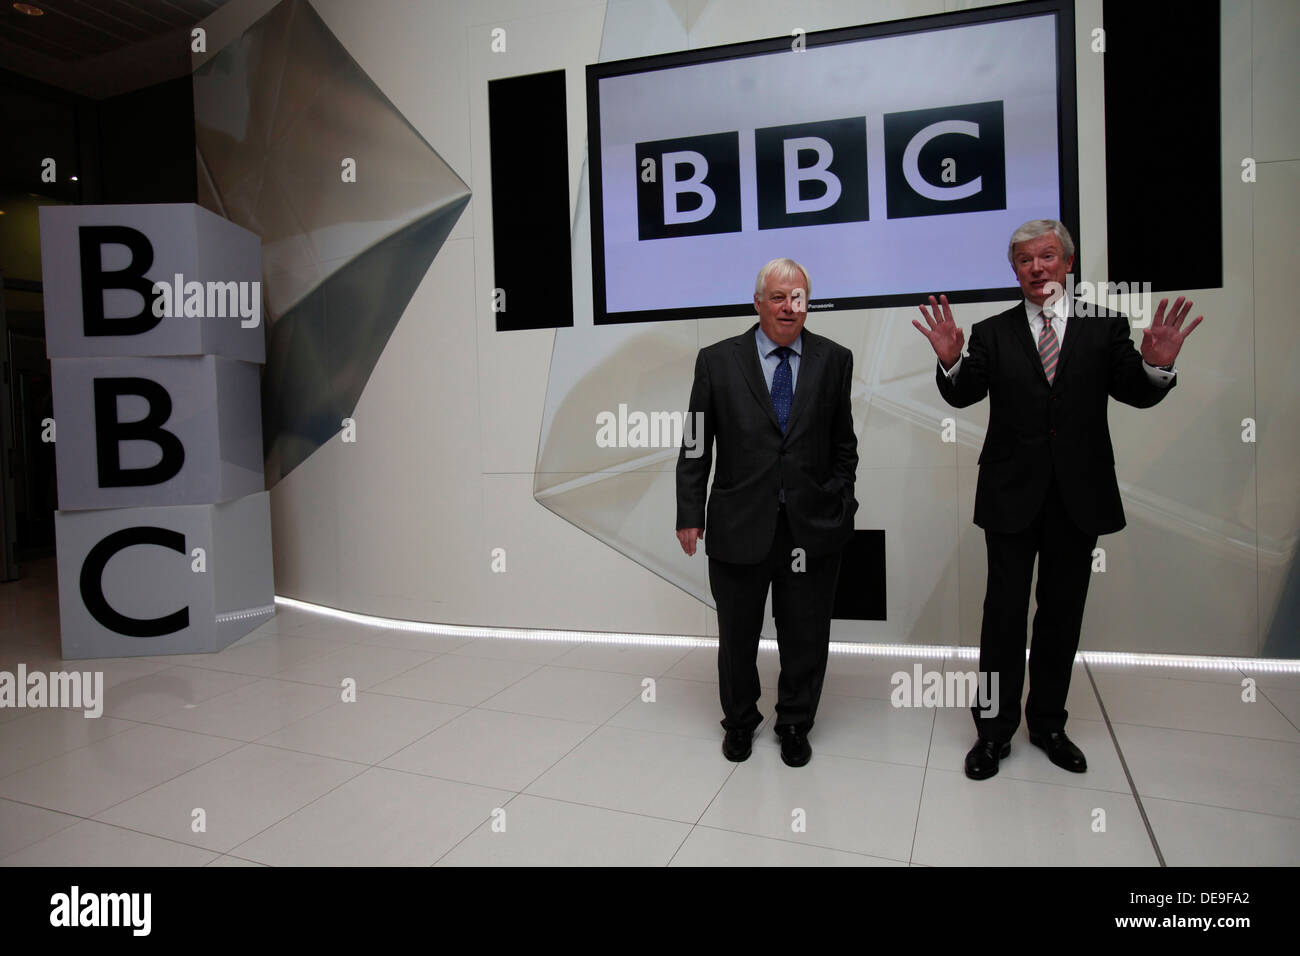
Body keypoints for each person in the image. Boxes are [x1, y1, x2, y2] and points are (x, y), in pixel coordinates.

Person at [913, 219, 1202, 780]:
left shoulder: (1105, 326)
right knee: (1003, 615)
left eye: (1048, 256)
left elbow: (1136, 394)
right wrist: (950, 358)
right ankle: (993, 732)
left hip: (1080, 496)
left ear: (1068, 263)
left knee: (1061, 615)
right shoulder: (993, 332)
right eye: (1025, 260)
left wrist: (1157, 365)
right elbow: (963, 391)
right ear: (1015, 270)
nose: (1037, 267)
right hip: (1009, 496)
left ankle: (1047, 723)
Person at [676, 258, 858, 767]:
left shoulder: (834, 359)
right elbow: (695, 444)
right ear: (757, 303)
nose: (788, 306)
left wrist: (843, 502)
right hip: (739, 525)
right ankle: (739, 721)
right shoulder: (716, 361)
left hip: (812, 527)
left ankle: (795, 724)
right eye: (777, 297)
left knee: (805, 633)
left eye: (797, 297)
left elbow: (844, 443)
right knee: (737, 635)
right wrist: (690, 510)